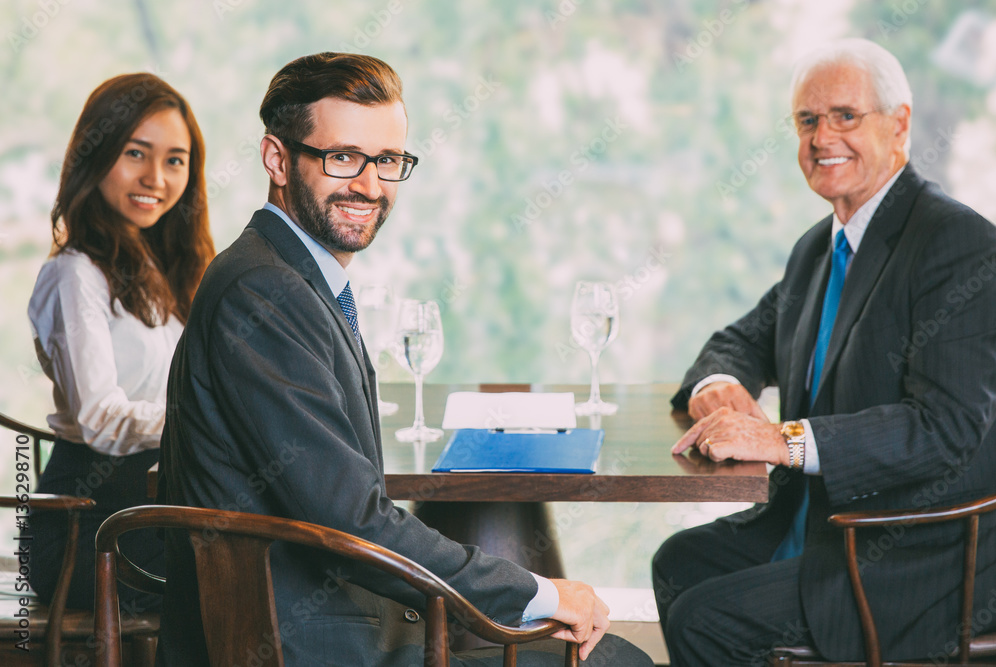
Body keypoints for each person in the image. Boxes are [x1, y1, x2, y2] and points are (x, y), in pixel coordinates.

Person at [157, 52, 651, 666]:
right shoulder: (264, 291)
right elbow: (353, 523)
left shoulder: (288, 275)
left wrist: (516, 601)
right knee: (617, 659)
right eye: (343, 157)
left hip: (347, 626)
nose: (369, 185)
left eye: (387, 160)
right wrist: (539, 593)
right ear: (277, 159)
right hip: (306, 647)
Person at [652, 38, 996, 666]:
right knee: (678, 564)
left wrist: (781, 440)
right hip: (818, 523)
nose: (821, 138)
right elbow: (739, 340)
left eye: (845, 116)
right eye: (807, 121)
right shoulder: (821, 246)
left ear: (899, 125)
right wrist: (718, 384)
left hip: (911, 552)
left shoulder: (957, 243)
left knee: (705, 618)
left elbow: (944, 430)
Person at [25, 72, 214, 614]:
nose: (156, 177)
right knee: (258, 569)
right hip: (89, 524)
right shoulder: (74, 273)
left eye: (175, 160)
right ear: (97, 151)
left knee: (274, 553)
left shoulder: (169, 264)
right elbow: (99, 418)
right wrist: (206, 422)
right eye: (137, 153)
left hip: (158, 503)